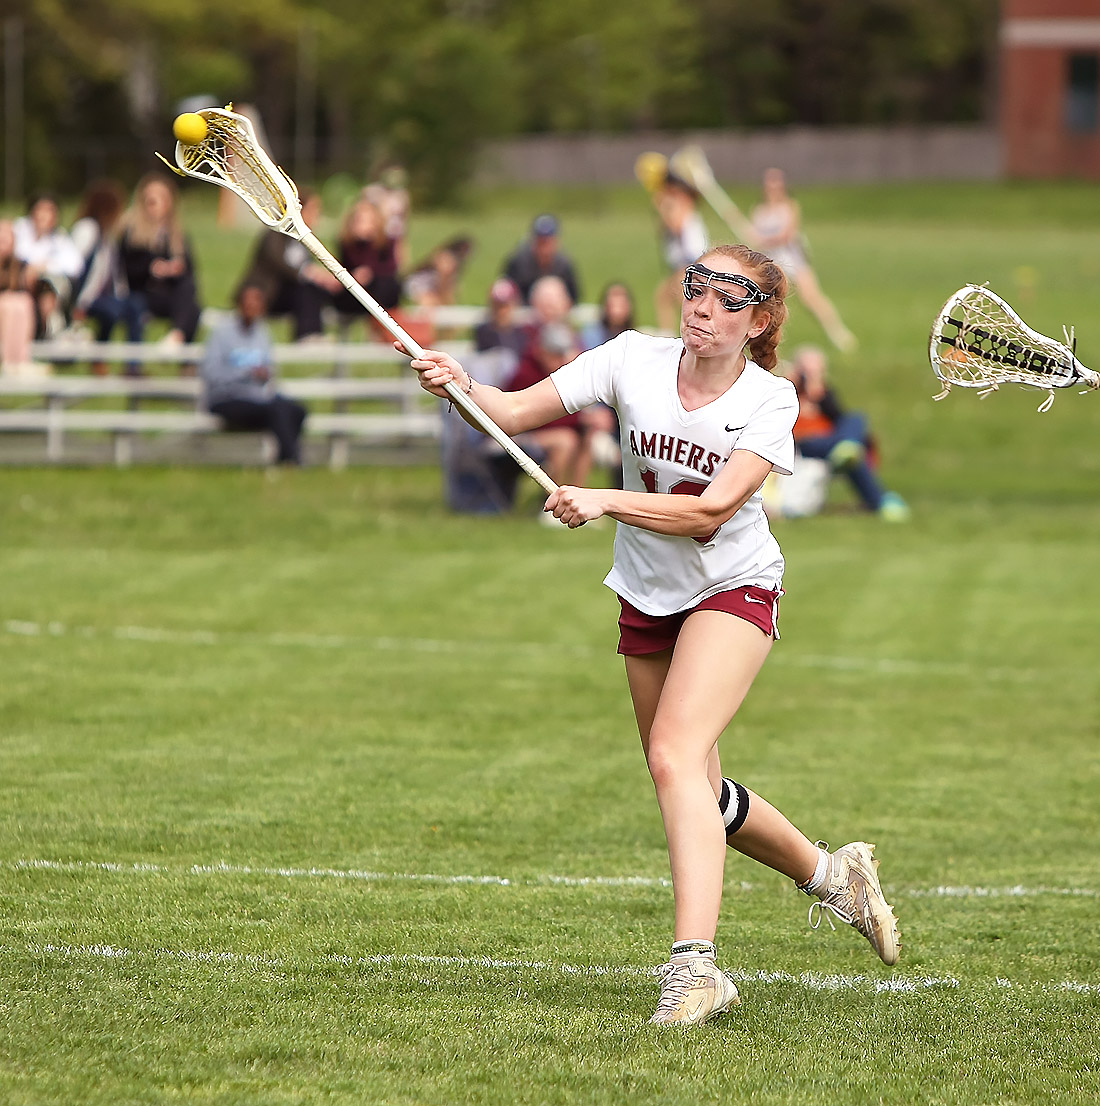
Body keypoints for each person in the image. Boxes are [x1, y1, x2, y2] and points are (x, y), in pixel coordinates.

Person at [405, 243, 901, 1026]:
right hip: (647, 594)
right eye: (695, 288)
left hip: (732, 586)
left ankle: (696, 970)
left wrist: (604, 500)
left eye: (724, 298)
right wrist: (459, 384)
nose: (700, 306)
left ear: (759, 320)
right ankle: (832, 876)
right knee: (693, 788)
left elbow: (710, 512)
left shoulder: (769, 400)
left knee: (673, 754)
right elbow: (512, 410)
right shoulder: (632, 359)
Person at [784, 345, 909, 521]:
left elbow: (839, 418)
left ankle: (847, 448)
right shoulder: (784, 392)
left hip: (829, 444)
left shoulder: (825, 396)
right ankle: (881, 500)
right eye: (806, 371)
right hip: (803, 445)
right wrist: (794, 386)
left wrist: (819, 393)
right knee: (848, 452)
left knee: (855, 420)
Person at [751, 168, 856, 353]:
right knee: (771, 305)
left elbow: (787, 235)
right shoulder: (759, 211)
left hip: (794, 259)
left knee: (811, 299)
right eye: (769, 183)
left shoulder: (790, 207)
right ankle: (768, 345)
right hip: (773, 264)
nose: (773, 187)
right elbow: (755, 241)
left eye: (776, 182)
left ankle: (839, 334)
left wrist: (763, 238)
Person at [201, 284, 307, 465]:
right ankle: (291, 461)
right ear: (239, 305)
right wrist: (245, 373)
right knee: (277, 410)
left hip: (259, 398)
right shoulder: (221, 333)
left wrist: (265, 373)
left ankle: (285, 459)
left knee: (297, 410)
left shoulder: (262, 333)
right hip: (227, 397)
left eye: (257, 303)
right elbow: (211, 373)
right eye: (248, 303)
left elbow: (271, 368)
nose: (253, 308)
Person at [115, 172, 203, 367]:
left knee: (191, 298)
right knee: (186, 302)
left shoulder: (176, 233)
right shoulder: (130, 230)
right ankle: (168, 353)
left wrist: (174, 269)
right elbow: (123, 269)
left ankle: (176, 340)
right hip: (140, 293)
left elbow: (190, 269)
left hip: (168, 293)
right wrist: (152, 268)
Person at [235, 188, 339, 341]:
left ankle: (315, 333)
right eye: (314, 210)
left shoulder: (301, 241)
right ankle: (307, 336)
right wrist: (312, 273)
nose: (317, 215)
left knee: (313, 288)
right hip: (267, 293)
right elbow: (282, 264)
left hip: (289, 294)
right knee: (307, 287)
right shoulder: (274, 234)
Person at [504, 321, 592, 495]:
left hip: (547, 430)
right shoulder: (526, 373)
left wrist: (587, 421)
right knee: (565, 440)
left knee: (588, 436)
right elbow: (535, 417)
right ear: (542, 351)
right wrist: (581, 419)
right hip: (518, 434)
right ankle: (552, 502)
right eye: (555, 354)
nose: (560, 360)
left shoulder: (561, 373)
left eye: (562, 355)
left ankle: (578, 499)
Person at [69, 179, 128, 370]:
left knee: (135, 308)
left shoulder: (108, 235)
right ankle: (98, 358)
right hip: (85, 297)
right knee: (110, 312)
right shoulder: (86, 230)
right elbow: (74, 268)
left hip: (103, 295)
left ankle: (133, 365)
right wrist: (76, 304)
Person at [12, 192, 84, 339]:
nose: (44, 215)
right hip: (17, 285)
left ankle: (48, 329)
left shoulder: (59, 238)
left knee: (48, 286)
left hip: (46, 288)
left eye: (49, 210)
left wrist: (44, 267)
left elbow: (75, 265)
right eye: (41, 210)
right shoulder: (19, 230)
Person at [334, 197, 402, 334]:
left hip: (379, 292)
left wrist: (369, 271)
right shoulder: (347, 243)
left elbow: (390, 268)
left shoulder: (386, 241)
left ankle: (379, 329)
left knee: (387, 284)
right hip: (353, 294)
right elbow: (346, 266)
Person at [651, 174, 709, 334]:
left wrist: (662, 208)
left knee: (685, 303)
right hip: (685, 263)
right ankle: (669, 337)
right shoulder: (681, 205)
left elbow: (676, 226)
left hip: (689, 262)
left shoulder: (684, 205)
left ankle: (684, 338)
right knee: (664, 298)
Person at [0, 218, 45, 376]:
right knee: (9, 302)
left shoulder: (18, 266)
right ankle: (9, 361)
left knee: (22, 301)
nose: (3, 240)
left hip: (13, 312)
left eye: (7, 235)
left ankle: (20, 360)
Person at [502, 214, 581, 305]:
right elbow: (505, 293)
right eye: (541, 242)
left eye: (548, 242)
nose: (545, 250)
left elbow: (574, 297)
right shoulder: (518, 263)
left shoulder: (564, 265)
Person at [473, 278, 527, 361]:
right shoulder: (484, 332)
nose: (502, 311)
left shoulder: (523, 333)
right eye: (498, 306)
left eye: (505, 306)